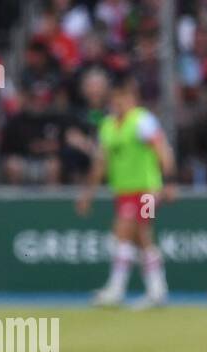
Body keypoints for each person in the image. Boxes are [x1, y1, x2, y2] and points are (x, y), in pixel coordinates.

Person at [75, 76, 175, 308]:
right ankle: (157, 290)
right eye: (116, 100)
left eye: (124, 99)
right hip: (124, 192)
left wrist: (169, 181)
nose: (120, 104)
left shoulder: (143, 121)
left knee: (122, 231)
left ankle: (116, 289)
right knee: (141, 237)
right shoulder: (107, 126)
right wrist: (88, 194)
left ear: (132, 100)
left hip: (148, 190)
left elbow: (162, 149)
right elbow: (101, 164)